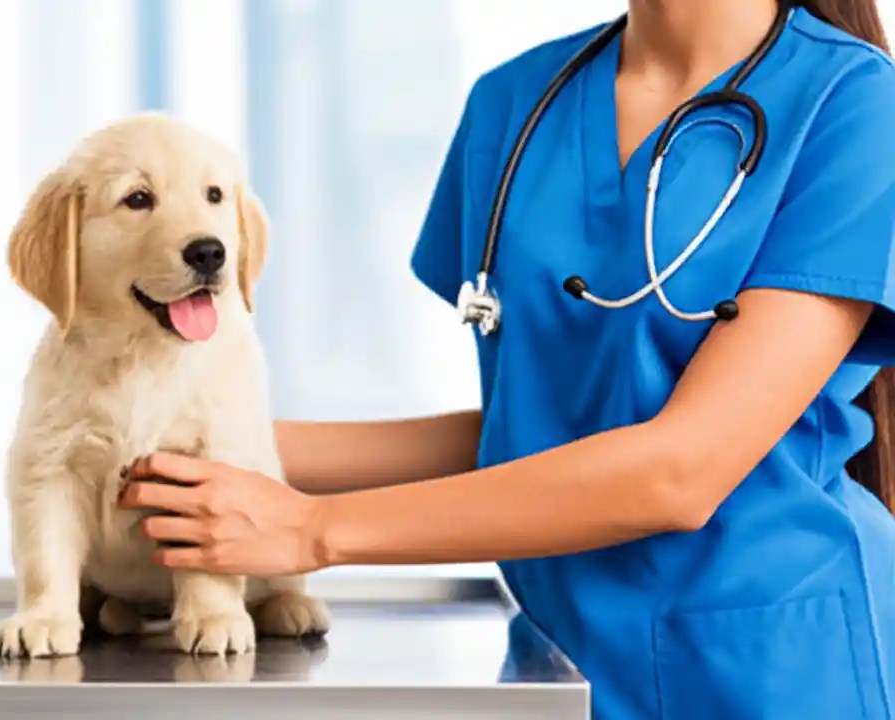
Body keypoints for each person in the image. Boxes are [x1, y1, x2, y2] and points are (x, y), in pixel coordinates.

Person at [119, 1, 895, 717]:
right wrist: (201, 443)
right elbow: (533, 432)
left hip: (774, 671)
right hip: (559, 671)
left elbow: (682, 469)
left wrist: (314, 530)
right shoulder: (517, 105)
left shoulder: (852, 106)